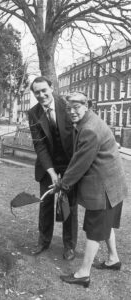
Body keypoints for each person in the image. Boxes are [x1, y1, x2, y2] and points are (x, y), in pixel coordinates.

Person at [51, 92, 128, 287]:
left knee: (94, 230)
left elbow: (80, 164)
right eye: (68, 108)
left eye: (76, 107)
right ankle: (113, 259)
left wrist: (62, 184)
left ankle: (84, 273)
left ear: (87, 106)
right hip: (113, 185)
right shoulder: (89, 121)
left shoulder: (90, 129)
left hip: (104, 190)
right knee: (106, 224)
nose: (72, 112)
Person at [28, 76, 78, 260]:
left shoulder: (67, 105)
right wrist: (51, 172)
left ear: (52, 87)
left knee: (69, 204)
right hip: (47, 165)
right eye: (37, 92)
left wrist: (71, 171)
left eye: (44, 90)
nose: (41, 95)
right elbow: (39, 146)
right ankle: (43, 241)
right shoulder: (33, 113)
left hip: (69, 163)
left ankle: (69, 246)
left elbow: (78, 134)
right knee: (46, 203)